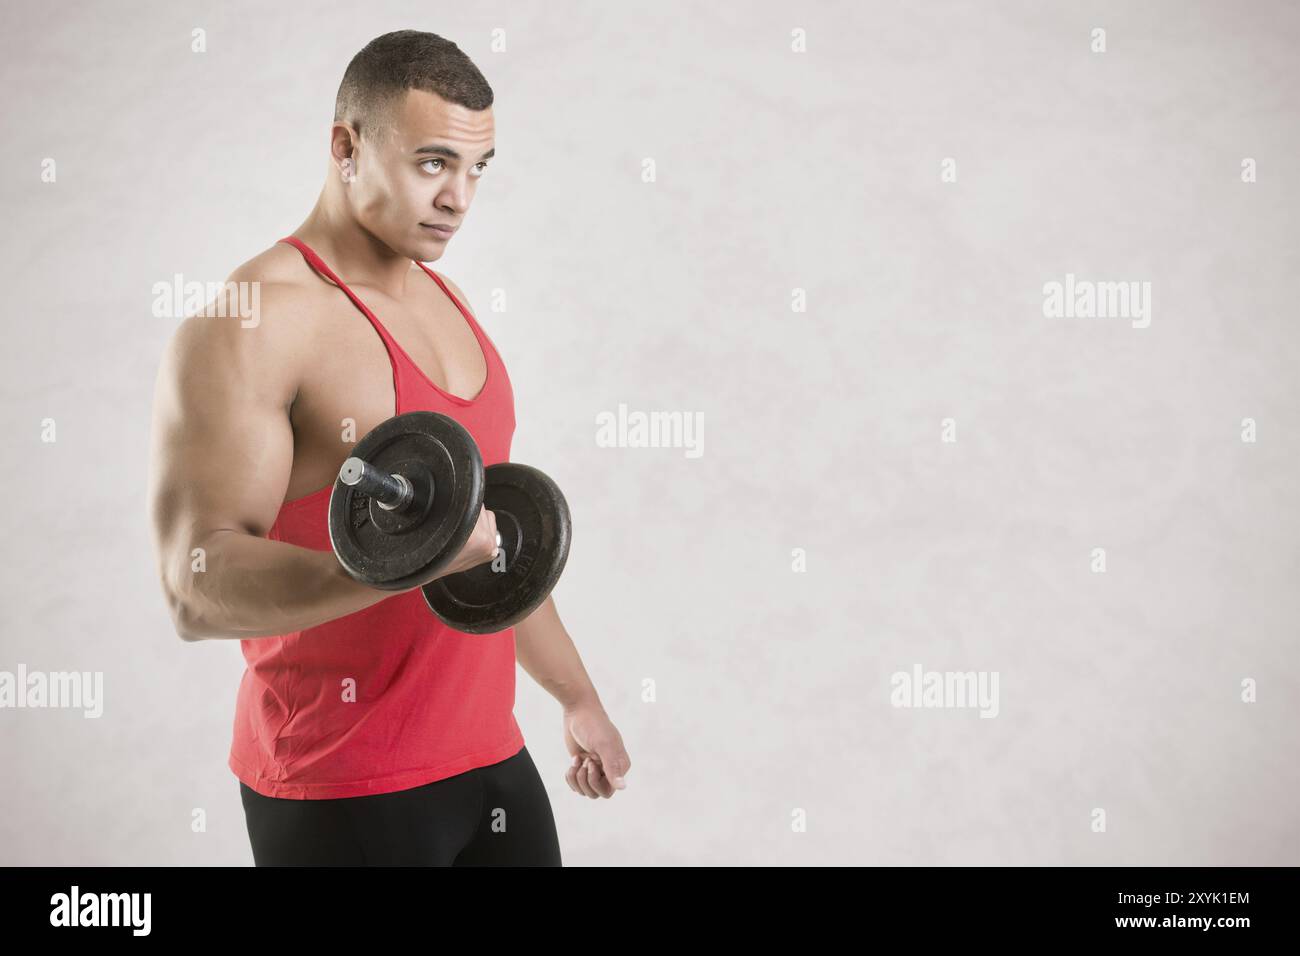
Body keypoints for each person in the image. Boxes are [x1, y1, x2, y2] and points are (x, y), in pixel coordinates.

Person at [147, 29, 629, 866]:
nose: (459, 198)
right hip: (341, 786)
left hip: (491, 764)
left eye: (478, 169)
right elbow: (196, 583)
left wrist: (576, 696)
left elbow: (485, 547)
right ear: (346, 146)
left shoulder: (448, 301)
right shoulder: (256, 319)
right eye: (434, 163)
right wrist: (396, 563)